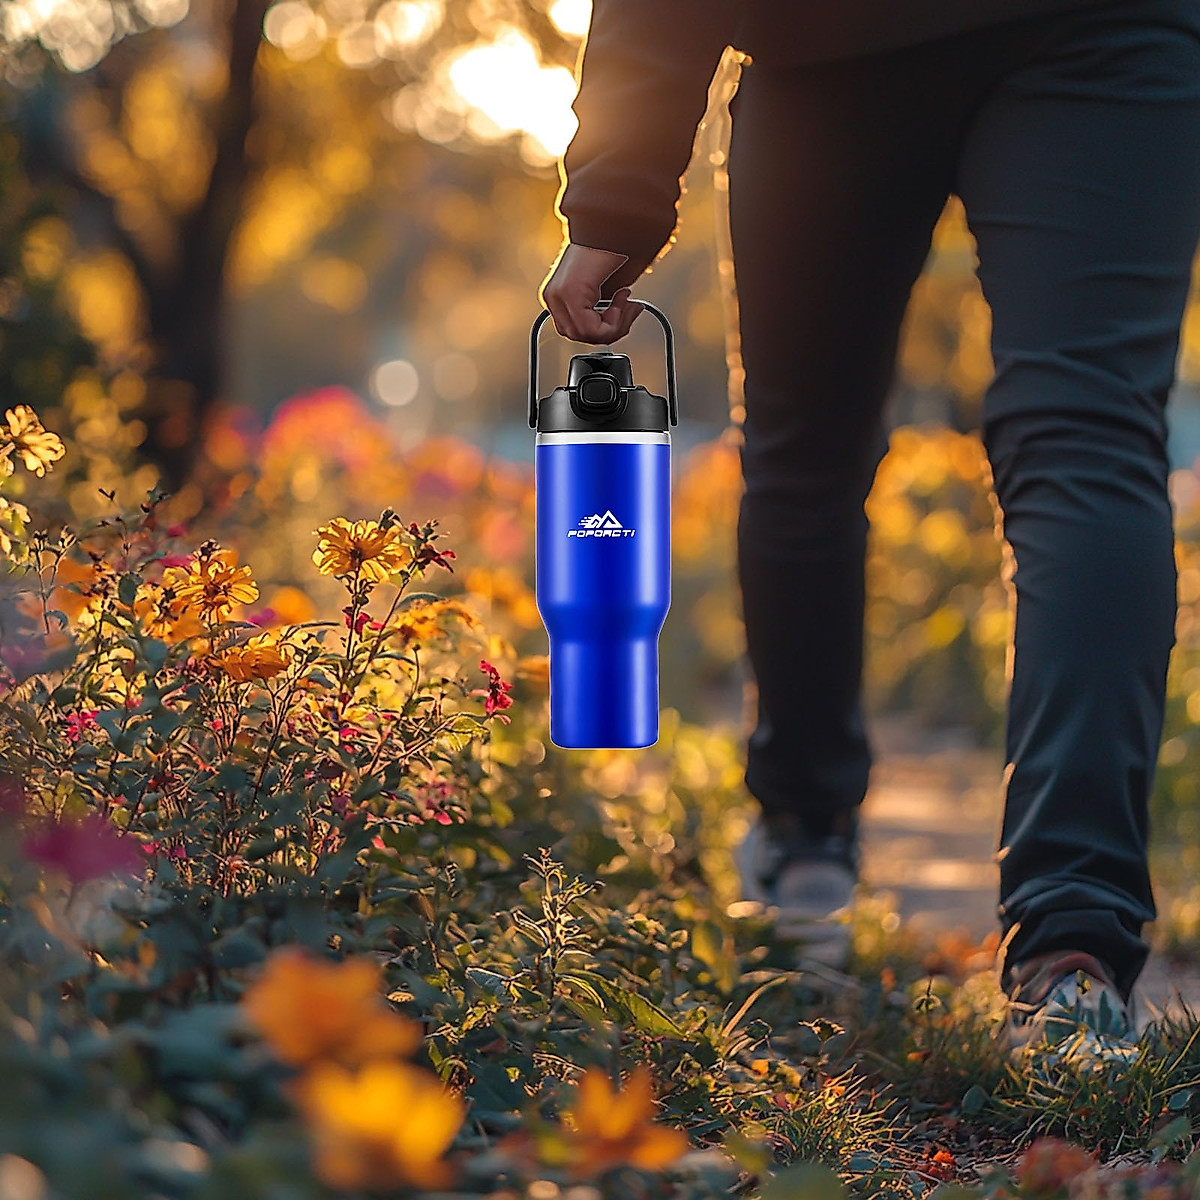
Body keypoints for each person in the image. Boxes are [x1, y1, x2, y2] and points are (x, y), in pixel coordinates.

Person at [540, 0, 1200, 1046]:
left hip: (838, 41)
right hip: (1094, 33)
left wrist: (618, 193)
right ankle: (1069, 942)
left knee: (808, 455)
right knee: (1090, 444)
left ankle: (809, 848)